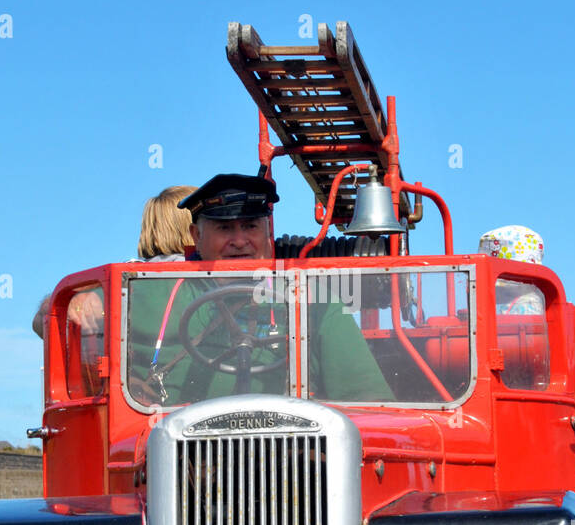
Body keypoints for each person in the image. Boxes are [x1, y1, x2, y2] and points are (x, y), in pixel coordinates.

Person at [128, 172, 394, 405]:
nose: (240, 240)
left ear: (267, 232)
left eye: (250, 226)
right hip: (182, 459)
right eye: (225, 228)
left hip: (292, 456)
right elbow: (95, 307)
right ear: (196, 237)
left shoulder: (317, 303)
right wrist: (86, 306)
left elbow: (367, 399)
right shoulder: (154, 291)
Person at [32, 186, 196, 338]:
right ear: (193, 229)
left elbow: (42, 321)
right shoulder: (200, 279)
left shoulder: (127, 281)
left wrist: (69, 299)